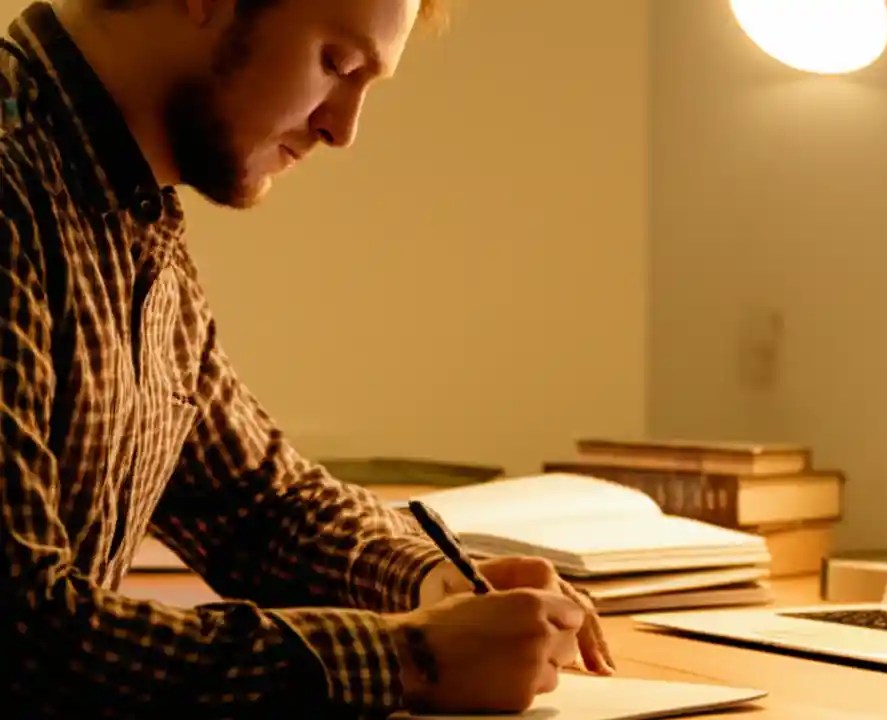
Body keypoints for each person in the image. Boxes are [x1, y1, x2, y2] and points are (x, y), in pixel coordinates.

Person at [0, 0, 613, 717]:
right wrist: (409, 656)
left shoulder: (126, 211)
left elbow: (258, 505)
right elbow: (25, 634)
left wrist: (435, 584)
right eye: (338, 65)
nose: (342, 129)